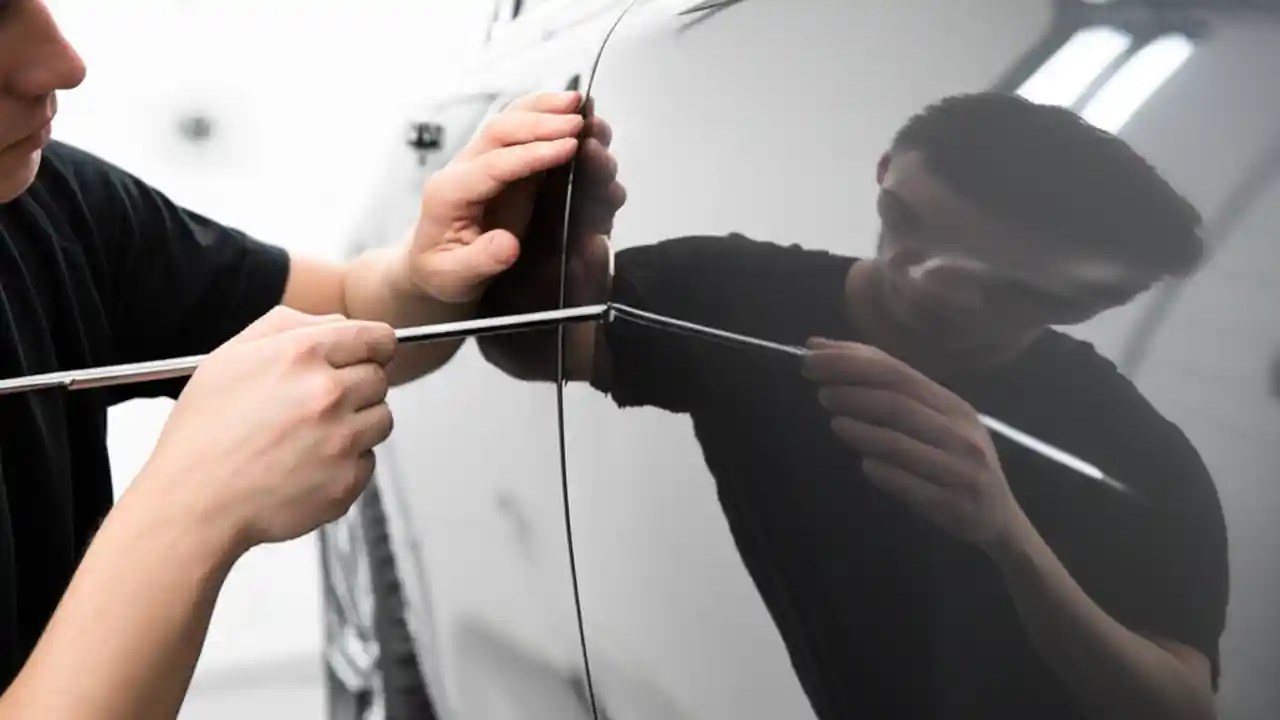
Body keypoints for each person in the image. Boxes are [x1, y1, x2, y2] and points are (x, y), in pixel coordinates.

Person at [484, 92, 1229, 718]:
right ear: (884, 175)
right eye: (907, 226)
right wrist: (539, 283)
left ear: (1088, 306)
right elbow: (547, 353)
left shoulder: (1133, 450)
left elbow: (1184, 705)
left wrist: (1009, 537)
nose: (925, 285)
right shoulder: (732, 293)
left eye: (1002, 285)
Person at [0, 2, 622, 717]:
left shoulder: (49, 206)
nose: (63, 65)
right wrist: (192, 506)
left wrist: (432, 279)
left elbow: (348, 307)